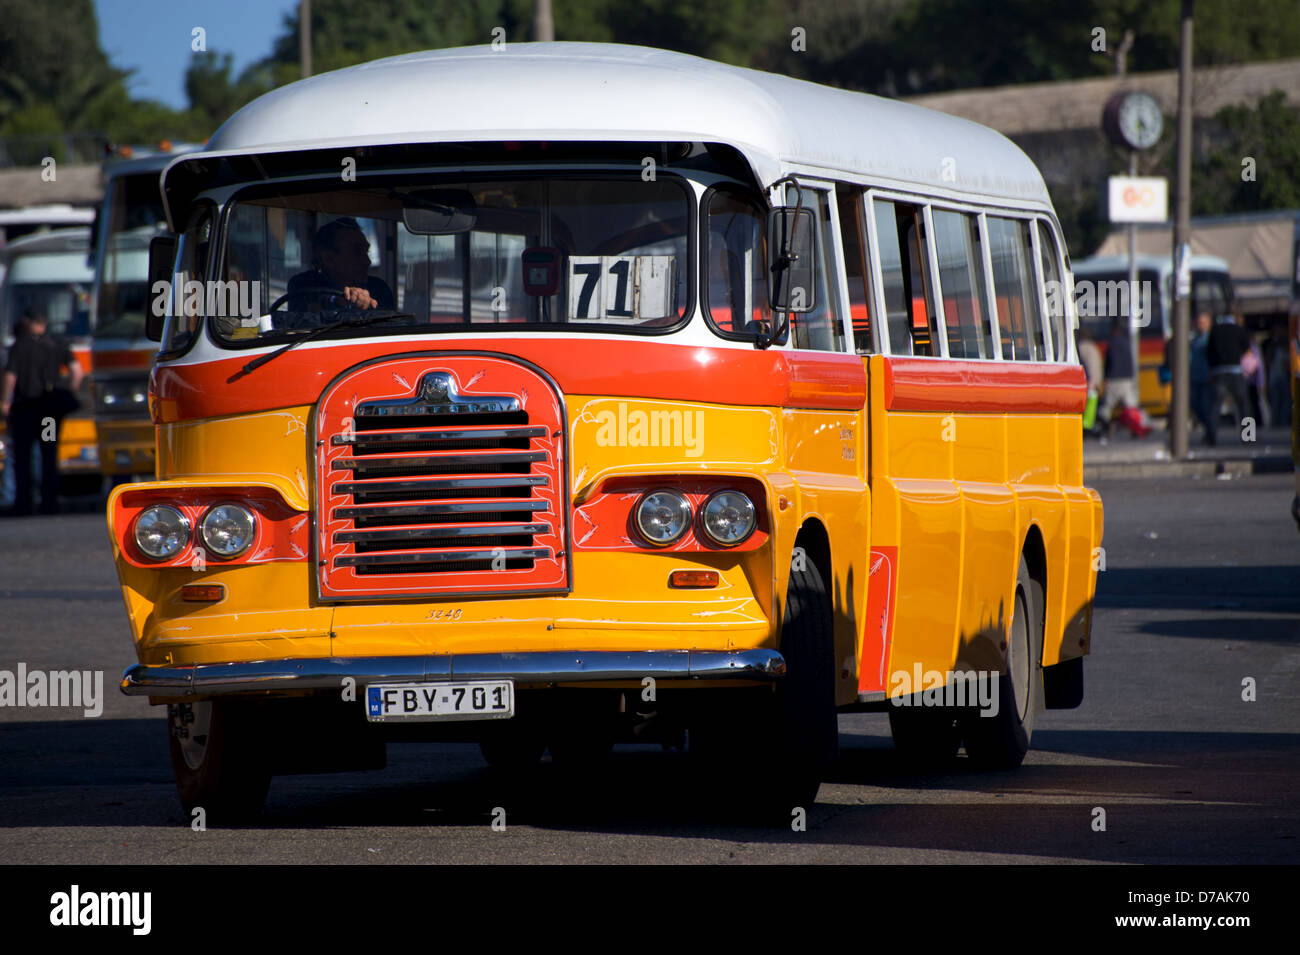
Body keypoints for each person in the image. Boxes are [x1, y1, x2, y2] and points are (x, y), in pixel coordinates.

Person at [1, 310, 82, 515]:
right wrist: (68, 391)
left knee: (22, 457)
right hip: (49, 413)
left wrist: (4, 402)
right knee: (48, 454)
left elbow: (11, 376)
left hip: (25, 411)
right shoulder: (57, 344)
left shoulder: (19, 346)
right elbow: (77, 371)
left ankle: (24, 504)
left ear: (27, 322)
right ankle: (49, 502)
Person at [286, 218, 394, 316]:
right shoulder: (303, 284)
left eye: (367, 252)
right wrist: (338, 300)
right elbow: (304, 313)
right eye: (356, 252)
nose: (367, 261)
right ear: (328, 258)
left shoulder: (378, 289)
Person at [1205, 311, 1253, 445]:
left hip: (1219, 372)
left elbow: (1208, 352)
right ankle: (1248, 437)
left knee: (1215, 406)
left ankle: (1211, 436)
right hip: (1236, 371)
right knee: (1244, 405)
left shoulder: (1215, 331)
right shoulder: (1238, 330)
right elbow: (1247, 349)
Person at [1098, 319, 1145, 439]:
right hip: (1127, 379)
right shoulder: (1127, 343)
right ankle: (1136, 429)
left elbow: (1109, 363)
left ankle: (1103, 430)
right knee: (1130, 407)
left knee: (1106, 408)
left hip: (1114, 379)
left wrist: (1106, 378)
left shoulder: (1112, 344)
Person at [1188, 311, 1214, 440]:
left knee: (1206, 406)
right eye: (1198, 322)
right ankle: (1208, 429)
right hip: (1195, 377)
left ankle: (1210, 433)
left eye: (1202, 322)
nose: (1200, 325)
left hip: (1206, 377)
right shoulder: (1195, 339)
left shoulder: (1211, 338)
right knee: (1194, 404)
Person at [1076, 326, 1104, 437]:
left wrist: (1089, 380)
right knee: (1092, 406)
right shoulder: (1094, 347)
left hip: (1089, 381)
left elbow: (1084, 365)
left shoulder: (1082, 347)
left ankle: (1086, 429)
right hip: (1096, 381)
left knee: (1088, 407)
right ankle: (1089, 426)